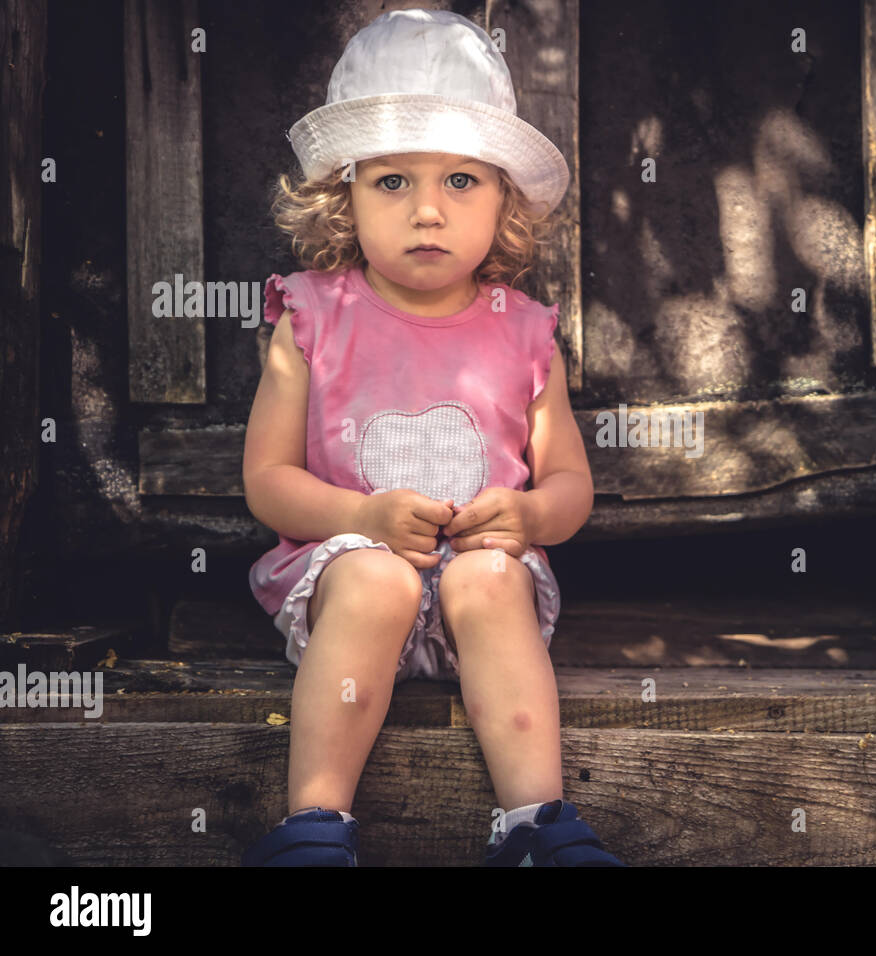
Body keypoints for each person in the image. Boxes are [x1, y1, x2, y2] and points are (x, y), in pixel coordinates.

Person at [239, 8, 624, 867]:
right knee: (374, 580)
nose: (426, 212)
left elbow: (569, 484)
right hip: (352, 583)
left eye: (460, 181)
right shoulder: (311, 316)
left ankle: (537, 825)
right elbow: (267, 480)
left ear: (503, 201)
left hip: (478, 602)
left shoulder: (523, 331)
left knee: (491, 579)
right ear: (343, 196)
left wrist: (526, 519)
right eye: (391, 183)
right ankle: (313, 826)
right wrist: (364, 517)